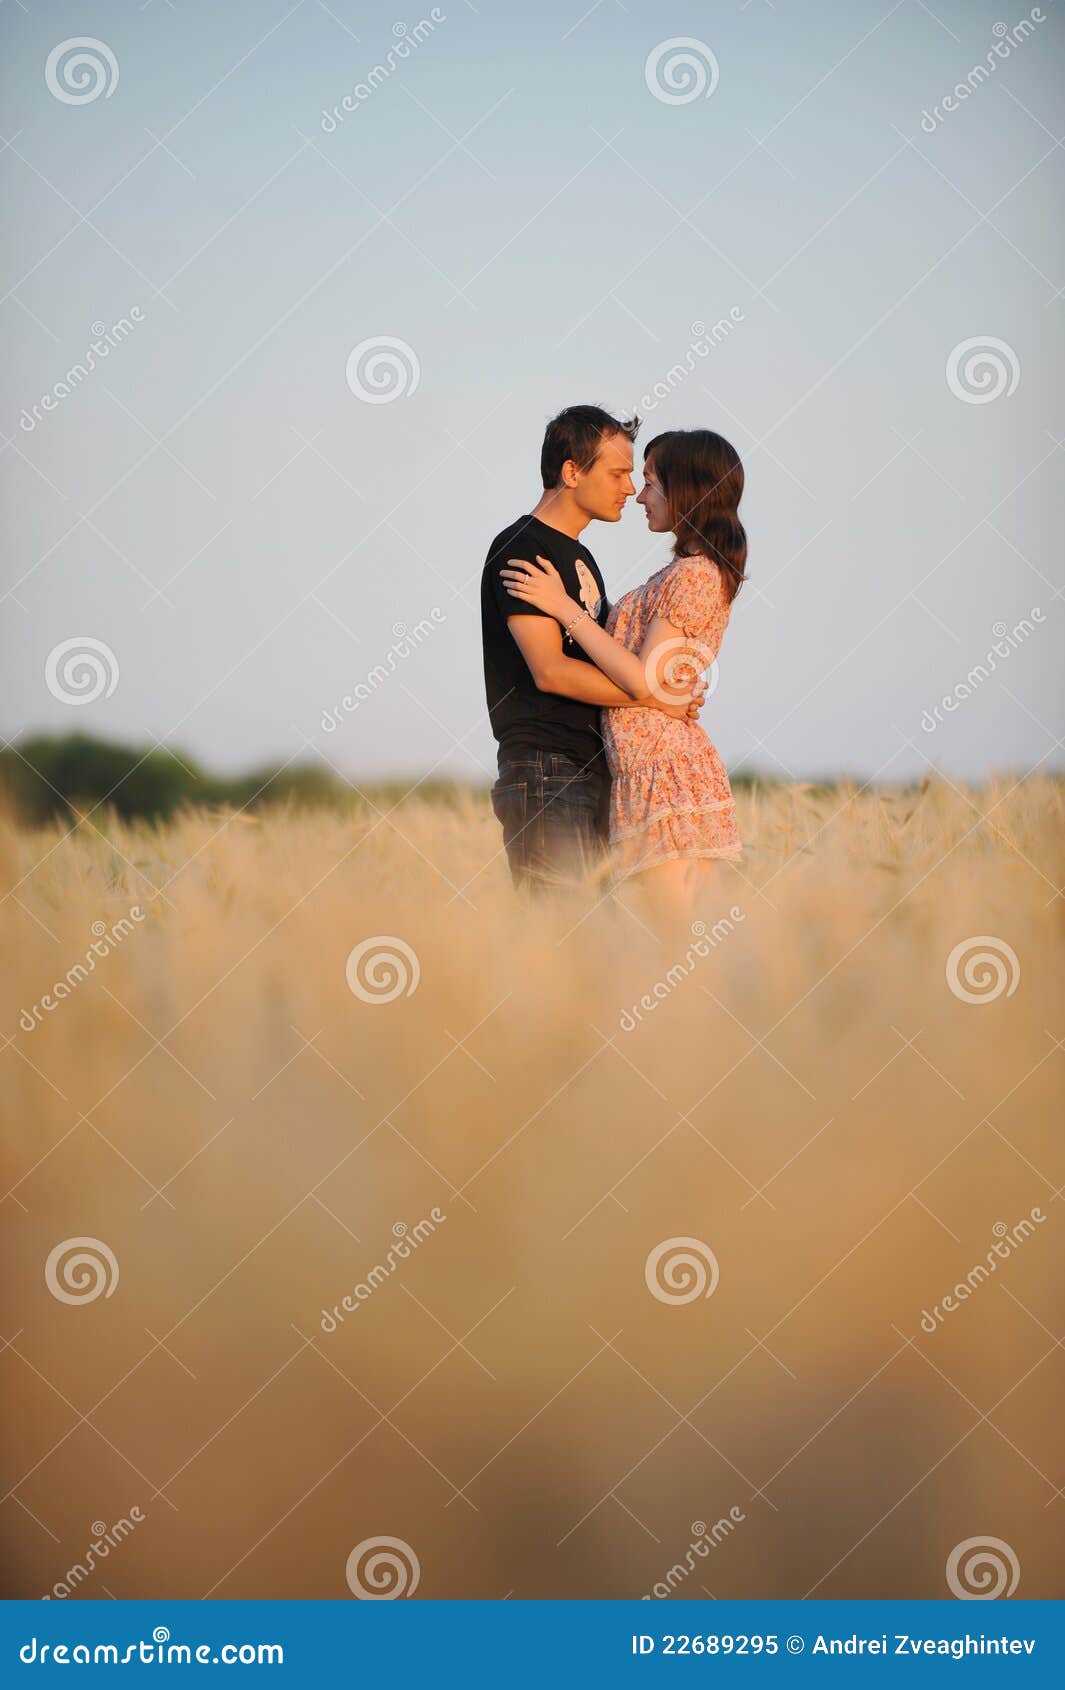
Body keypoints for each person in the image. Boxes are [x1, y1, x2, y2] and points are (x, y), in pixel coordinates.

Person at [500, 428, 745, 928]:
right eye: (630, 476)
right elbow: (647, 681)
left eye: (651, 481)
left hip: (661, 770)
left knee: (678, 942)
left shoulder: (694, 575)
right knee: (662, 941)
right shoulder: (684, 571)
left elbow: (639, 678)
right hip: (639, 766)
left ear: (687, 490)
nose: (638, 493)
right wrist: (664, 697)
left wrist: (564, 608)